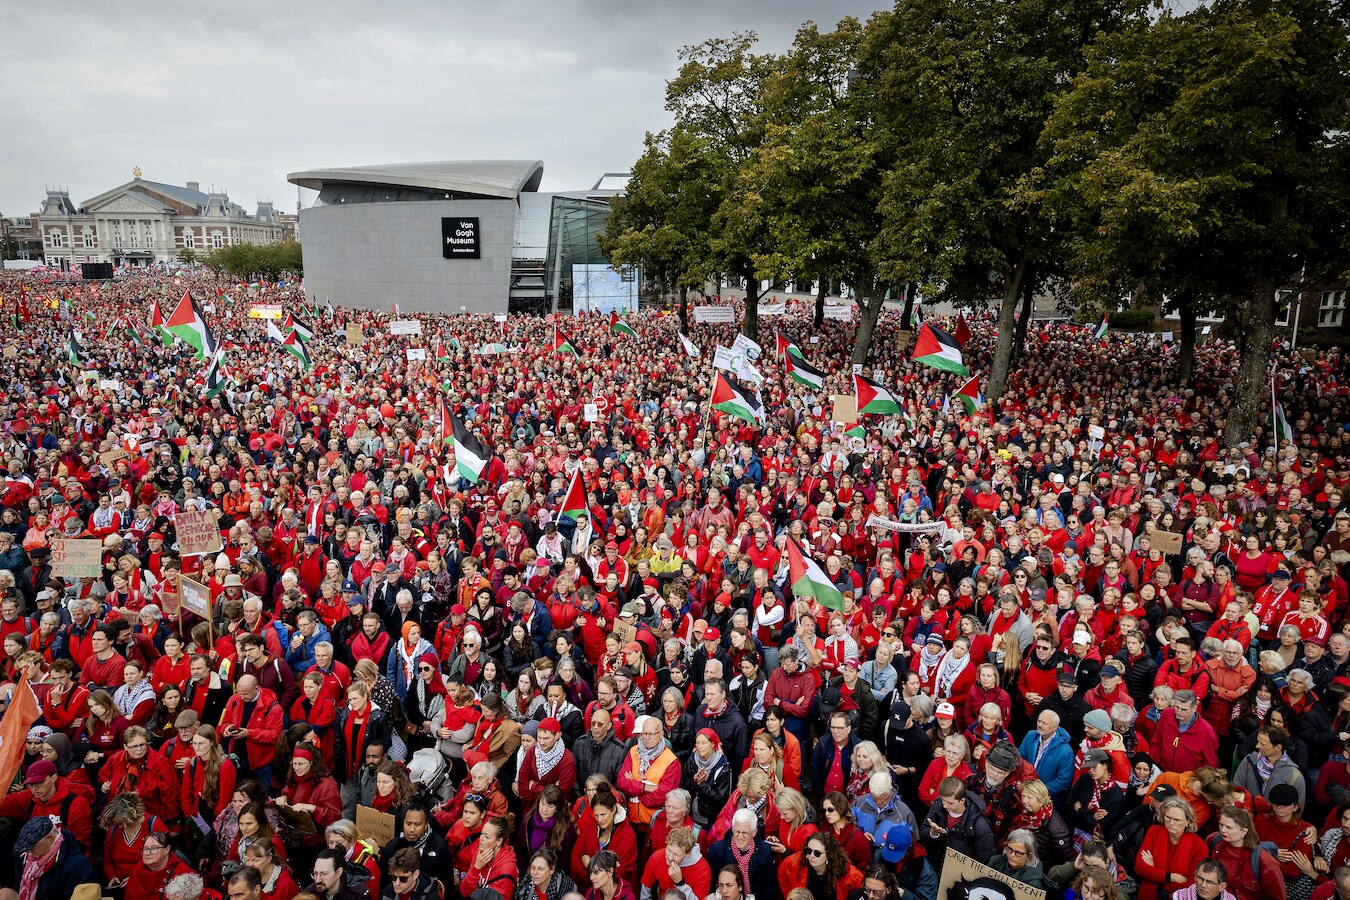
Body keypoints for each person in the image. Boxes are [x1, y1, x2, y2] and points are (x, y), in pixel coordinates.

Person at [0, 816, 95, 900]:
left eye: (32, 846)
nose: (28, 851)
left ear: (48, 838)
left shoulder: (77, 864)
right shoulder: (24, 856)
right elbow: (17, 884)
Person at [616, 716, 682, 833]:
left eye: (650, 734)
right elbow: (621, 782)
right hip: (632, 819)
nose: (646, 738)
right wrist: (644, 787)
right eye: (644, 733)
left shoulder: (671, 761)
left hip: (655, 822)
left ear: (661, 734)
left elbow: (664, 795)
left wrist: (635, 791)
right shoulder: (633, 751)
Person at [1206, 805, 1287, 900]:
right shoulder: (1213, 840)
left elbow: (1277, 897)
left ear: (1244, 832)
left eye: (1229, 827)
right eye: (1221, 824)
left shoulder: (1263, 860)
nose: (1223, 830)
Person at [1135, 796, 1209, 900]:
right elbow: (1139, 867)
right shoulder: (1154, 832)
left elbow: (1192, 883)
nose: (1171, 823)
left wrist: (1154, 871)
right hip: (1148, 894)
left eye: (1177, 820)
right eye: (1168, 817)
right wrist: (1172, 877)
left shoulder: (1199, 846)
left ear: (1188, 821)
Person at [919, 776, 996, 863]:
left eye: (950, 803)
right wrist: (933, 833)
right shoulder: (938, 806)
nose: (945, 805)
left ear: (962, 801)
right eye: (943, 800)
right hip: (935, 864)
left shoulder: (980, 825)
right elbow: (923, 833)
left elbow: (986, 859)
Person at [705, 808, 776, 900]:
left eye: (745, 833)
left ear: (754, 832)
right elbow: (711, 883)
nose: (740, 837)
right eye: (737, 832)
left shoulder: (765, 852)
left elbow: (769, 888)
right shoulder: (717, 850)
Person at [381, 801, 454, 889]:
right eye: (408, 824)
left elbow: (447, 883)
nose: (412, 829)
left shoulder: (439, 846)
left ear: (426, 824)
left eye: (417, 824)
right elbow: (385, 881)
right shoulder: (392, 847)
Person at [1234, 727, 1306, 810]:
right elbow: (1236, 788)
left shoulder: (1294, 776)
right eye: (1258, 742)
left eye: (1263, 744)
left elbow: (1297, 809)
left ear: (1278, 748)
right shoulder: (1249, 762)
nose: (1257, 746)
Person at [777, 832, 863, 900]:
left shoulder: (849, 874)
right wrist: (791, 895)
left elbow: (863, 890)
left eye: (817, 853)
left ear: (829, 854)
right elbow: (782, 872)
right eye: (808, 850)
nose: (811, 855)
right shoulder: (797, 860)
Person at [638, 825, 711, 900]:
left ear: (687, 854)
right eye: (669, 850)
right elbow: (645, 893)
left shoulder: (702, 870)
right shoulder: (657, 857)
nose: (670, 857)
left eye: (676, 854)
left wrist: (680, 884)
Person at [459, 815, 520, 900]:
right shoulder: (481, 852)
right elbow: (464, 891)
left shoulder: (506, 869)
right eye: (481, 833)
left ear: (499, 841)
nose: (481, 839)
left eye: (487, 837)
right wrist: (476, 868)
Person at [682, 728, 733, 828]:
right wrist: (695, 782)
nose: (700, 747)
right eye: (698, 743)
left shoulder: (723, 767)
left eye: (704, 743)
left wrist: (701, 784)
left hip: (710, 820)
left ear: (713, 744)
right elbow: (684, 786)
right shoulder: (692, 761)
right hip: (690, 816)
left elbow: (720, 799)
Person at [125, 829, 197, 900]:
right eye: (146, 849)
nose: (148, 853)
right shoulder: (137, 870)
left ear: (167, 850)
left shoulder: (183, 873)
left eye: (154, 848)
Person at [306, 847, 371, 900]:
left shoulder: (357, 896)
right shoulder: (308, 893)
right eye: (315, 873)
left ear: (338, 873)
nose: (318, 880)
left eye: (324, 874)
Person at [513, 848, 578, 900]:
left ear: (551, 870)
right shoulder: (525, 886)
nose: (535, 873)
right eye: (533, 868)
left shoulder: (565, 888)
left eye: (540, 869)